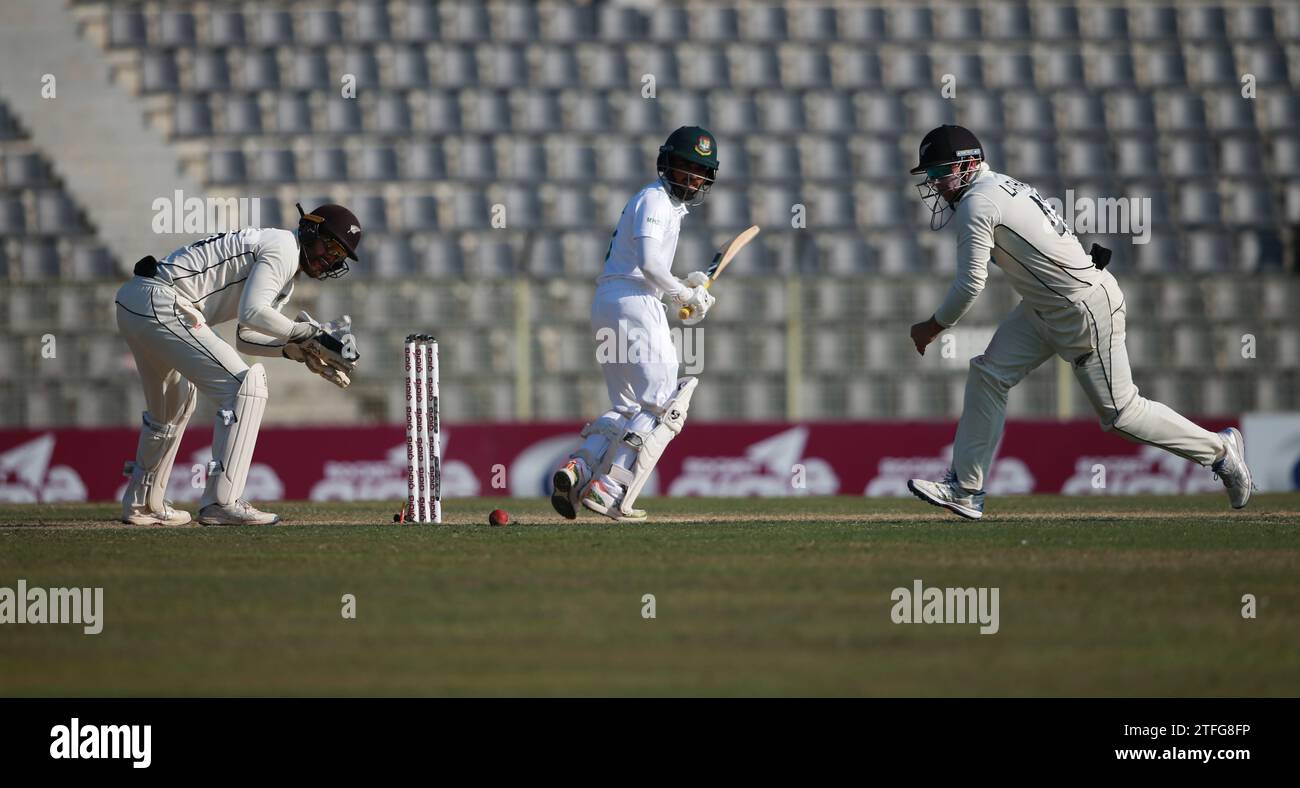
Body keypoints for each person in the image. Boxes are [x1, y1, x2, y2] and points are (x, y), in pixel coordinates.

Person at [904, 125, 1253, 520]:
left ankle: (1221, 452)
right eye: (930, 176)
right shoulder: (998, 187)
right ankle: (966, 490)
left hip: (1081, 308)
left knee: (1122, 415)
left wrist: (932, 326)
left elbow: (970, 284)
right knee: (989, 375)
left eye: (940, 173)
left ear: (969, 164)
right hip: (1045, 306)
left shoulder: (978, 203)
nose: (936, 185)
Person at [114, 204, 362, 526]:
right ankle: (221, 502)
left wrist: (296, 351)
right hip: (164, 301)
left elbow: (246, 336)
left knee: (173, 406)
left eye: (338, 256)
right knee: (247, 386)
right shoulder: (283, 248)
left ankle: (143, 502)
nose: (330, 258)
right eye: (330, 246)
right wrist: (313, 334)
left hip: (139, 301)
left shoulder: (284, 270)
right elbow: (253, 313)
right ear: (311, 229)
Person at [549, 126, 720, 522]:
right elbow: (648, 264)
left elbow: (647, 265)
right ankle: (608, 488)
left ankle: (579, 467)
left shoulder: (661, 204)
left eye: (700, 172)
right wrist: (684, 295)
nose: (692, 178)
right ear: (667, 163)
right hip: (634, 301)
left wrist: (684, 285)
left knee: (627, 404)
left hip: (608, 302)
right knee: (661, 400)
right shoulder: (656, 201)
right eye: (685, 167)